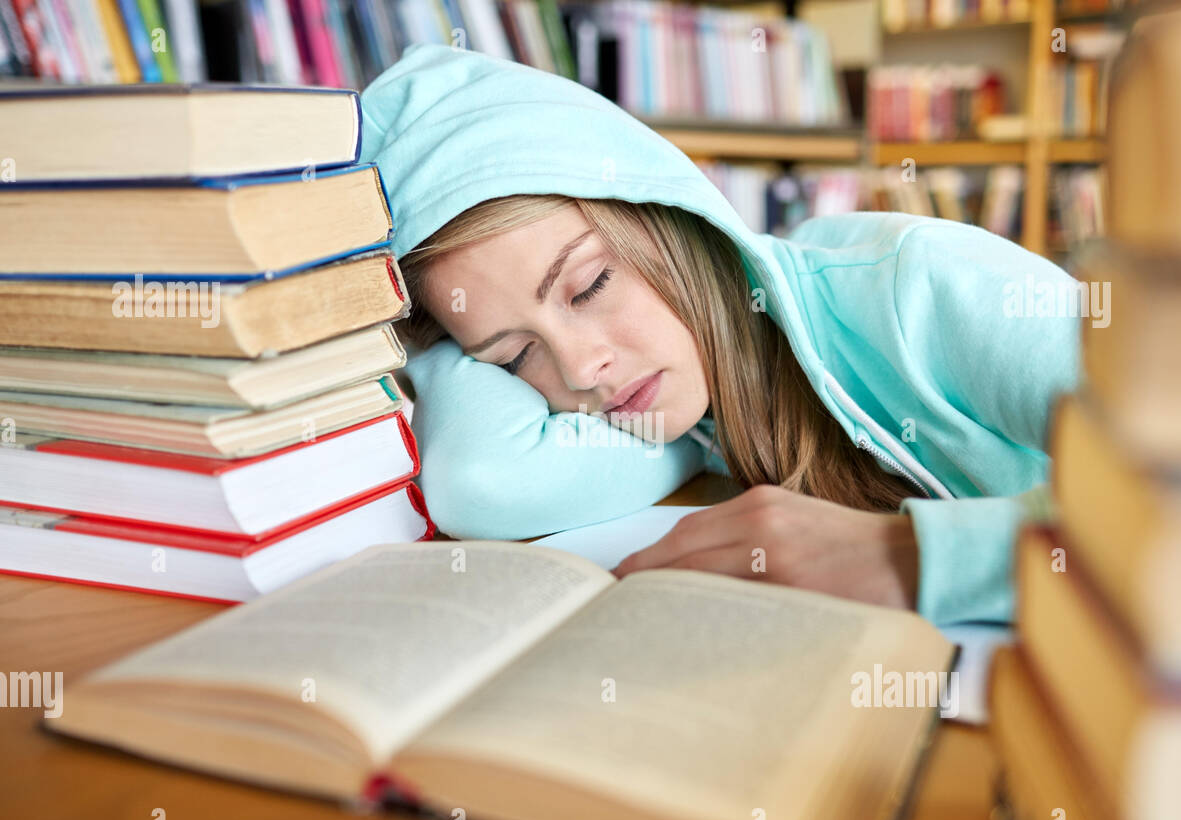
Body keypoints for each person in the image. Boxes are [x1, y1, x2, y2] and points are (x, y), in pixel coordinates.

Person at [359, 43, 1081, 625]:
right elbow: (479, 481)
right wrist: (425, 345)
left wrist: (912, 557)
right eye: (515, 356)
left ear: (668, 214)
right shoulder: (690, 410)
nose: (581, 371)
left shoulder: (919, 284)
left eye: (590, 285)